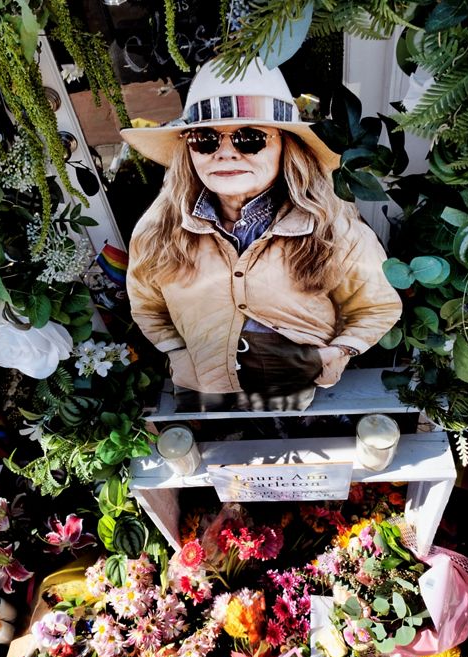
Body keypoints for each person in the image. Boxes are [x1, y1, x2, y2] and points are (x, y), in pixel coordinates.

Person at [120, 58, 402, 412]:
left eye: (249, 138)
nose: (225, 153)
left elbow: (376, 304)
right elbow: (147, 304)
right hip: (201, 395)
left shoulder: (332, 225)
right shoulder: (158, 229)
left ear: (286, 145)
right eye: (205, 139)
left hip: (299, 396)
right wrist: (178, 354)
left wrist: (337, 354)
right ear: (188, 150)